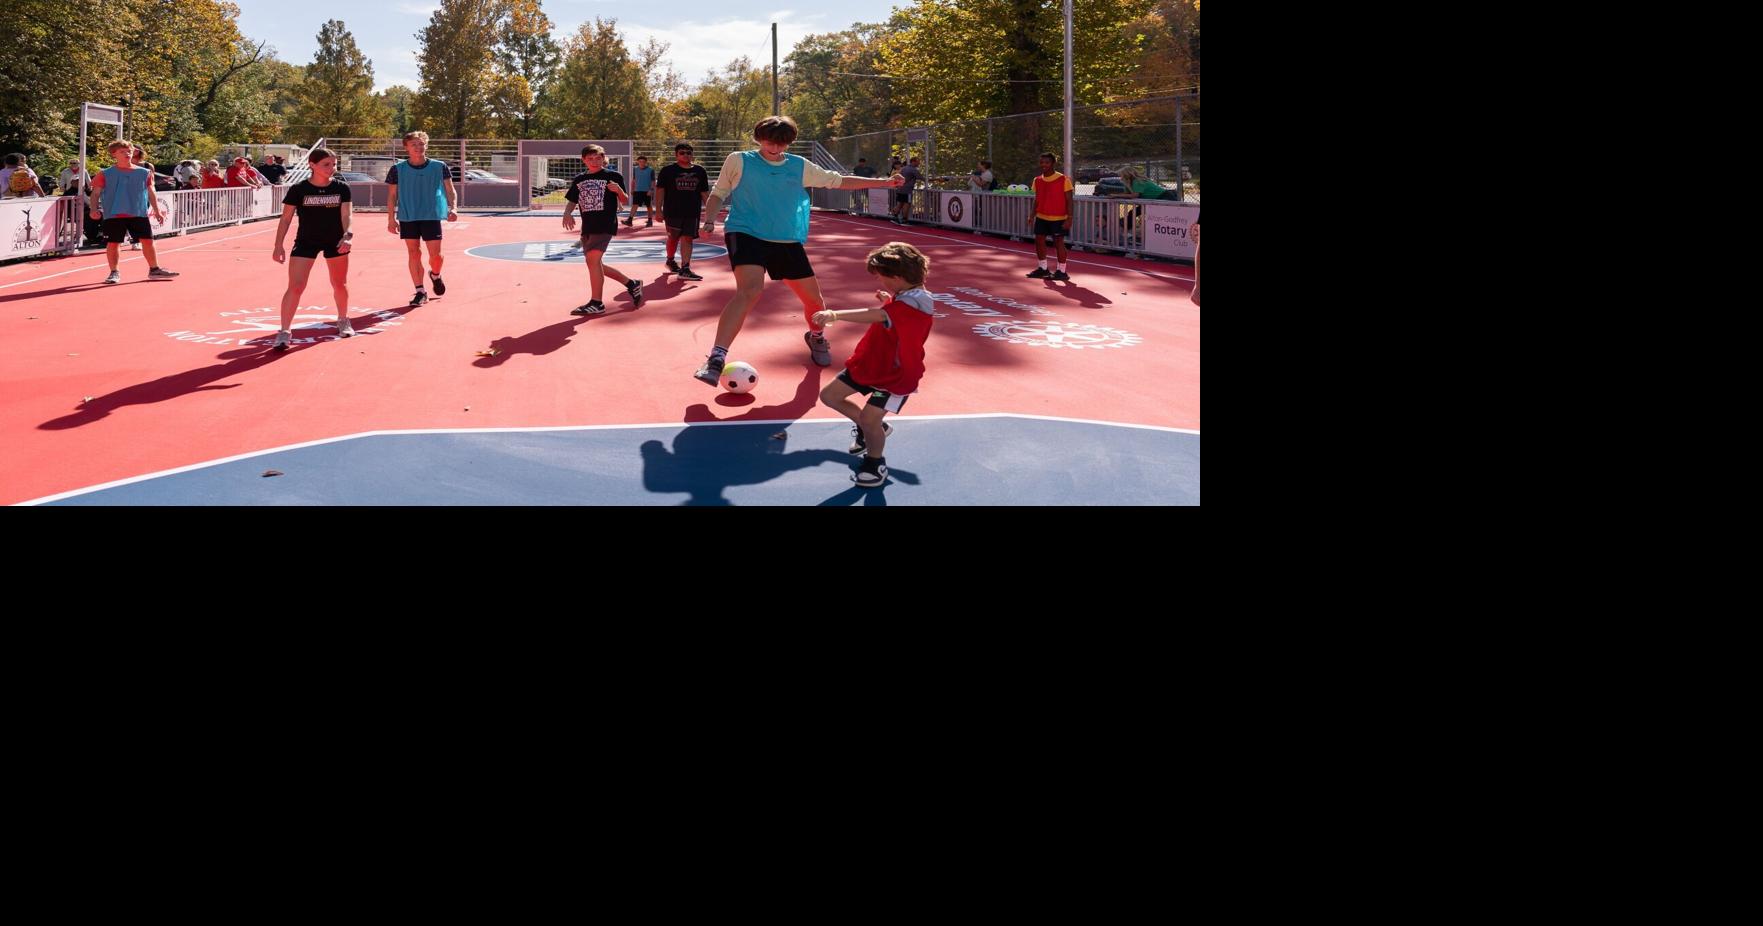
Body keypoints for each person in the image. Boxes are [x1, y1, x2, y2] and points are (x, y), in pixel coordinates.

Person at [691, 115, 903, 386]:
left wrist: (884, 183)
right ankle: (716, 358)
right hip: (745, 232)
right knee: (750, 290)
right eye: (770, 142)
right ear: (758, 138)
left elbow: (839, 181)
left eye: (782, 144)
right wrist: (709, 219)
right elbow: (719, 193)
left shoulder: (799, 166)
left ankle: (815, 335)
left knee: (815, 303)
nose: (776, 149)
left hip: (786, 239)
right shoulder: (739, 160)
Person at [812, 242, 936, 488]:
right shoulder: (908, 294)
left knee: (870, 420)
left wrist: (835, 315)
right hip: (871, 363)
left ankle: (874, 462)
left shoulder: (919, 301)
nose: (879, 280)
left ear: (898, 277)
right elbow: (898, 312)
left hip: (895, 375)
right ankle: (871, 429)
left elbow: (880, 316)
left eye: (881, 276)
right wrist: (890, 299)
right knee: (830, 396)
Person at [268, 148, 354, 351]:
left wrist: (348, 234)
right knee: (296, 286)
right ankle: (284, 331)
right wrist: (278, 245)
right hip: (306, 241)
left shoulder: (342, 188)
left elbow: (346, 216)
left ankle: (343, 319)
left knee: (339, 283)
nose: (331, 168)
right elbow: (286, 218)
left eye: (333, 164)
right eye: (326, 164)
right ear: (312, 165)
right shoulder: (299, 189)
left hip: (336, 240)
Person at [561, 144, 641, 316]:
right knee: (595, 264)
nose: (595, 161)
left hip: (605, 224)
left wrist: (619, 190)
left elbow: (625, 199)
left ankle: (596, 302)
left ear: (603, 158)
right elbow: (572, 200)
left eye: (598, 158)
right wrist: (567, 213)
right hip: (588, 226)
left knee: (593, 260)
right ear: (584, 160)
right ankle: (632, 284)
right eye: (590, 159)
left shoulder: (612, 176)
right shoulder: (579, 179)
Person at [384, 130, 458, 306]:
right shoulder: (397, 169)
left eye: (421, 144)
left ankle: (435, 274)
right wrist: (390, 219)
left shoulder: (439, 166)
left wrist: (453, 207)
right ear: (406, 148)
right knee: (413, 253)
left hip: (431, 215)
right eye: (413, 145)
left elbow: (450, 189)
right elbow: (392, 195)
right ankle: (420, 291)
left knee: (436, 256)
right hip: (408, 216)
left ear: (426, 145)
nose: (418, 147)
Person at [87, 139, 177, 283]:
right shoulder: (105, 173)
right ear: (114, 154)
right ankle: (114, 272)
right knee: (114, 242)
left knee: (148, 241)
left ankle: (154, 270)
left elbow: (151, 191)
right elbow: (95, 194)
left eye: (129, 151)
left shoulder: (145, 172)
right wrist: (93, 208)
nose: (127, 154)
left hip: (138, 212)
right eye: (122, 152)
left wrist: (157, 210)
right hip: (114, 213)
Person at [654, 142, 709, 280]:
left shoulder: (700, 171)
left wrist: (711, 210)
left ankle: (685, 268)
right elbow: (660, 190)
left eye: (689, 153)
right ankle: (670, 260)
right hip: (672, 211)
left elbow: (704, 192)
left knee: (688, 238)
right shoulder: (667, 171)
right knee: (673, 238)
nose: (686, 155)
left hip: (692, 212)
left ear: (692, 155)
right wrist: (658, 210)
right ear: (676, 155)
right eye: (682, 153)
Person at [1025, 152, 1074, 281]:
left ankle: (1061, 271)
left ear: (1053, 163)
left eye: (1047, 162)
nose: (1044, 165)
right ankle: (1043, 268)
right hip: (1041, 216)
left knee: (1058, 243)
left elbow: (1069, 200)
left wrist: (1070, 218)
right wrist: (1032, 215)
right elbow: (1037, 199)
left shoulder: (1064, 179)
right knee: (1039, 241)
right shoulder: (1037, 180)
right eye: (1042, 162)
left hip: (1058, 218)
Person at [624, 154, 654, 227]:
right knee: (635, 205)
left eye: (643, 161)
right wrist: (632, 189)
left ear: (646, 162)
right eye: (640, 161)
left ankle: (650, 221)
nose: (642, 163)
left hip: (647, 191)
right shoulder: (635, 169)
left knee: (649, 206)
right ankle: (629, 220)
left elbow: (653, 181)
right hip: (637, 191)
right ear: (638, 162)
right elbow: (633, 180)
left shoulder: (650, 170)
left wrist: (651, 190)